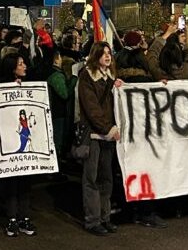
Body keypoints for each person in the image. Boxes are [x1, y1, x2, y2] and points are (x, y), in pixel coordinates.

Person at [77, 41, 121, 236]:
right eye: (103, 53)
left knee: (106, 178)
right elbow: (91, 108)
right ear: (95, 56)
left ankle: (105, 217)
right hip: (94, 135)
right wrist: (107, 128)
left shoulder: (111, 77)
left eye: (109, 53)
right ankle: (93, 220)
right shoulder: (86, 76)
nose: (107, 56)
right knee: (92, 179)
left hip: (107, 135)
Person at [0, 52, 37, 237]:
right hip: (9, 140)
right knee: (11, 182)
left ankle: (24, 217)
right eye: (21, 64)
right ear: (12, 68)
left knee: (25, 181)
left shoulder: (30, 86)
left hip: (27, 138)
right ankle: (12, 218)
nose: (25, 66)